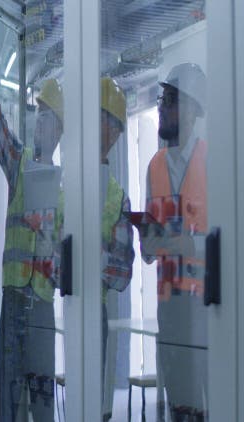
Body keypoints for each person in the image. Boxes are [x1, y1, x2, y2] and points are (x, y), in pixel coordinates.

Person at [140, 62, 208, 420]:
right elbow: (149, 251)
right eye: (161, 100)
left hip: (207, 310)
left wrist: (190, 246)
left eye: (169, 100)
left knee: (208, 407)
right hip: (169, 311)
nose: (161, 109)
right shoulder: (154, 166)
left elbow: (231, 243)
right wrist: (147, 244)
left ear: (192, 109)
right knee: (179, 410)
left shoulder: (216, 162)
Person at [0, 79, 63, 421]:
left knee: (42, 395)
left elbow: (68, 260)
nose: (41, 122)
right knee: (8, 390)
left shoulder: (66, 184)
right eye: (39, 114)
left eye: (49, 117)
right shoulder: (19, 162)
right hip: (15, 296)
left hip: (43, 303)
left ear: (60, 129)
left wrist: (50, 239)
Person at [98, 77, 135, 421]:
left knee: (98, 407)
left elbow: (123, 271)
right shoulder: (62, 182)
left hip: (94, 312)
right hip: (50, 308)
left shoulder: (116, 197)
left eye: (101, 119)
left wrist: (93, 265)